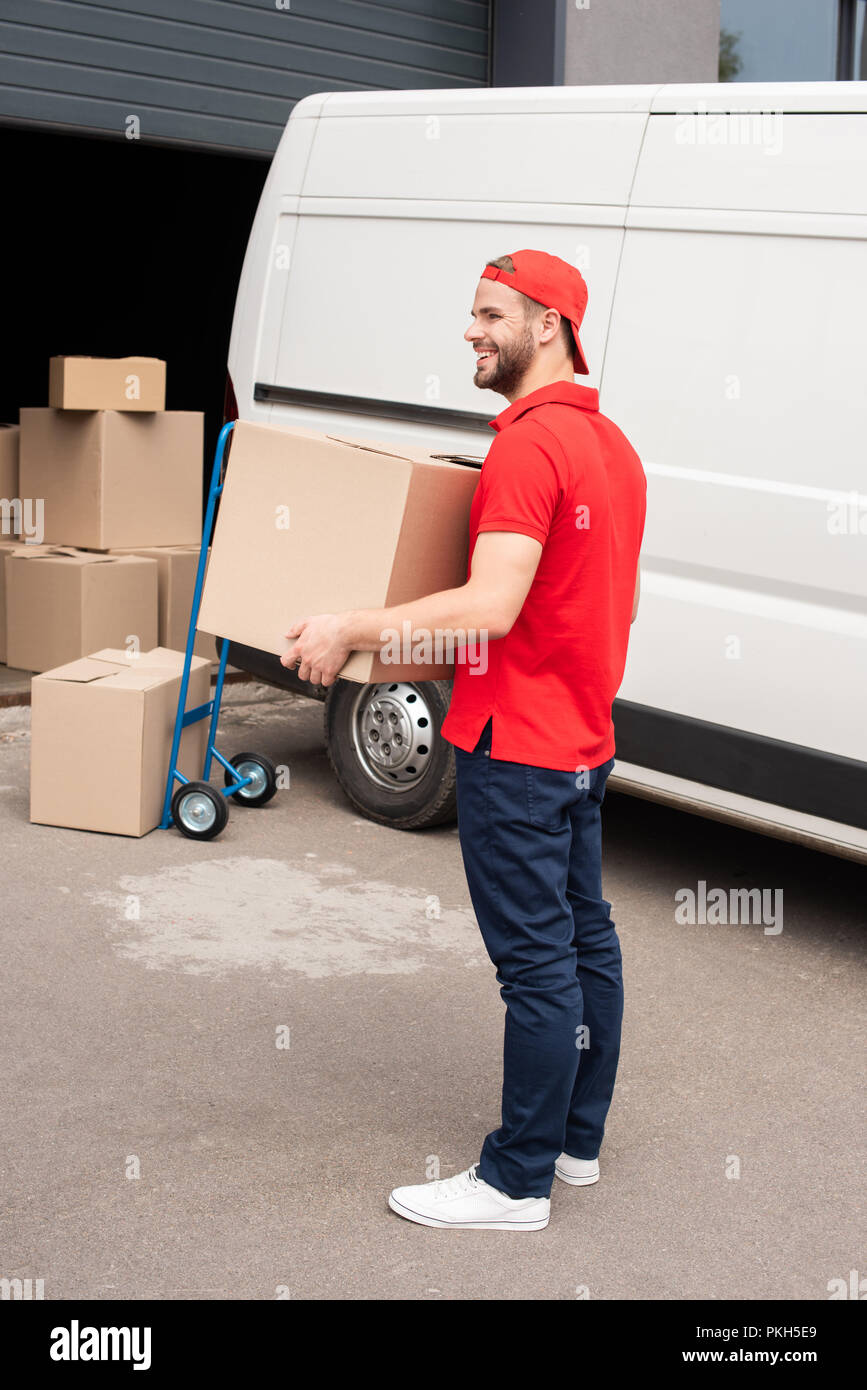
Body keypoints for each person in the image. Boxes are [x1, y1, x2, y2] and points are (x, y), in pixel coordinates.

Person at [281, 248, 646, 1231]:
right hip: (580, 742)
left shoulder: (531, 448)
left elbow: (490, 605)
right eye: (472, 314)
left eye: (491, 315)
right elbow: (591, 606)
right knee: (586, 941)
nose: (472, 332)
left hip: (518, 749)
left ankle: (513, 1181)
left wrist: (354, 628)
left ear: (549, 327)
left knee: (537, 967)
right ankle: (576, 1141)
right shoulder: (614, 448)